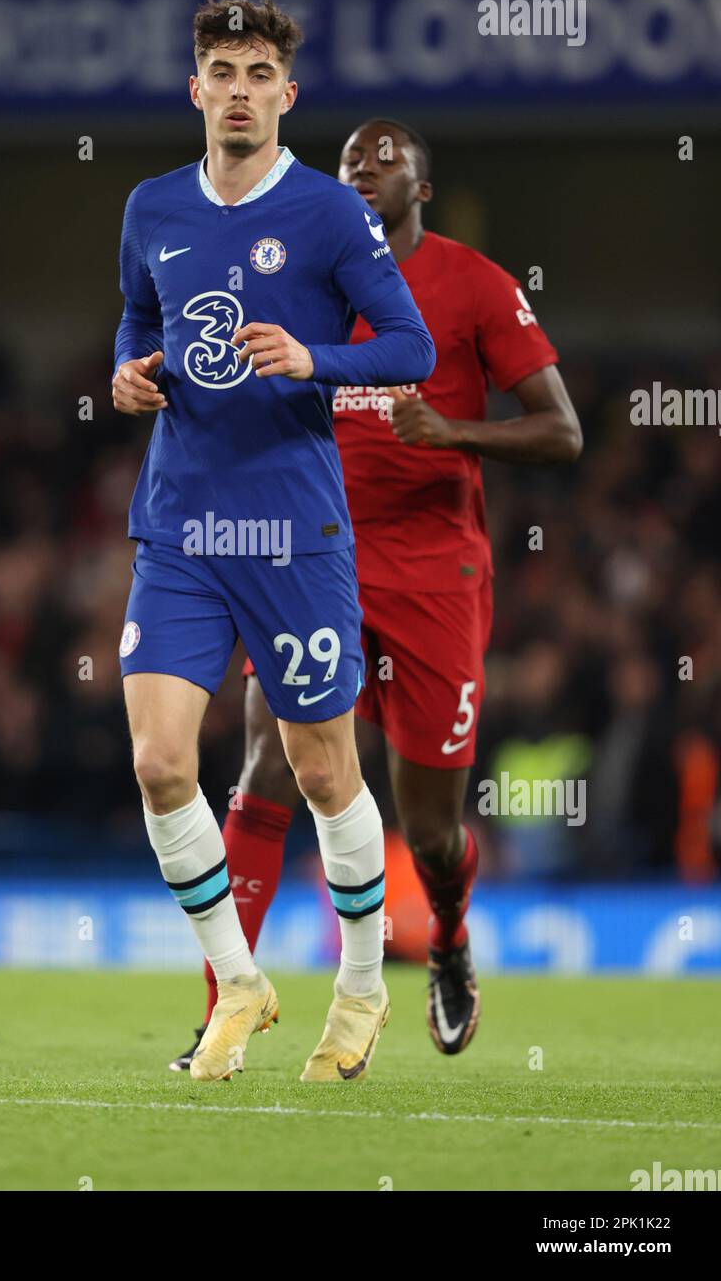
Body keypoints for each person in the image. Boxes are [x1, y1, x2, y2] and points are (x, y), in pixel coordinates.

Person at [171, 116, 582, 1071]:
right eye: (350, 160)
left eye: (385, 161)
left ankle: (445, 937)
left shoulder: (473, 286)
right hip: (312, 555)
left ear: (420, 192)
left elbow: (562, 432)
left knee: (430, 824)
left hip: (437, 570)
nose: (363, 170)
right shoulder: (299, 279)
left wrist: (453, 434)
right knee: (268, 765)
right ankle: (224, 1004)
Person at [113, 2, 435, 1083]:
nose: (240, 87)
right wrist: (128, 369)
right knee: (159, 761)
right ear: (194, 89)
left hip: (294, 529)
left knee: (320, 767)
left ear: (286, 95)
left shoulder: (330, 217)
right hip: (181, 527)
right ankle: (238, 980)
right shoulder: (150, 205)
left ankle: (359, 985)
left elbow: (410, 347)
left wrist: (312, 358)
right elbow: (136, 318)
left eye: (259, 71)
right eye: (220, 69)